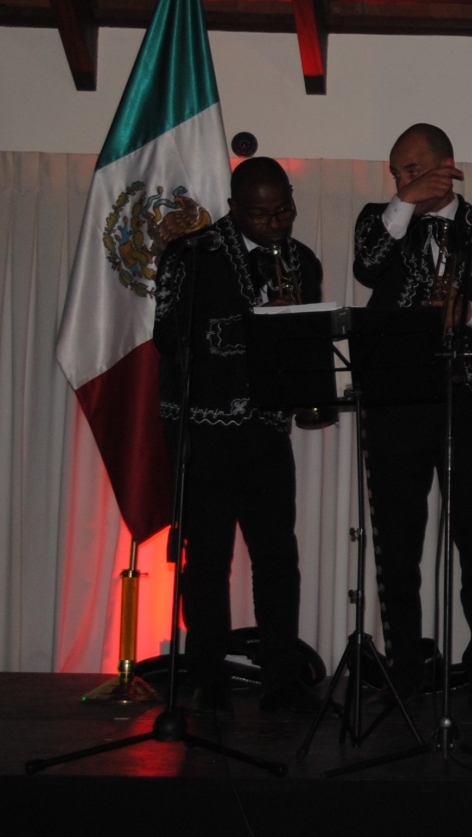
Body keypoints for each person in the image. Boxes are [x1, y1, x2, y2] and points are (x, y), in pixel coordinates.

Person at [353, 123, 472, 712]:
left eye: (413, 170)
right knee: (398, 545)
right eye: (397, 172)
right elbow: (365, 267)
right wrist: (403, 204)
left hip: (467, 402)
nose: (402, 181)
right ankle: (404, 668)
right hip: (395, 405)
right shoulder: (378, 222)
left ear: (447, 167)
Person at [153, 156, 323, 716]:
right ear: (233, 208)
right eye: (260, 214)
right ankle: (207, 675)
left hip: (266, 434)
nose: (275, 224)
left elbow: (309, 347)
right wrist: (257, 324)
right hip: (202, 432)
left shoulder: (303, 261)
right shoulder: (191, 254)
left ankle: (280, 679)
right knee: (206, 560)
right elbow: (167, 338)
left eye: (284, 211)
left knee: (278, 557)